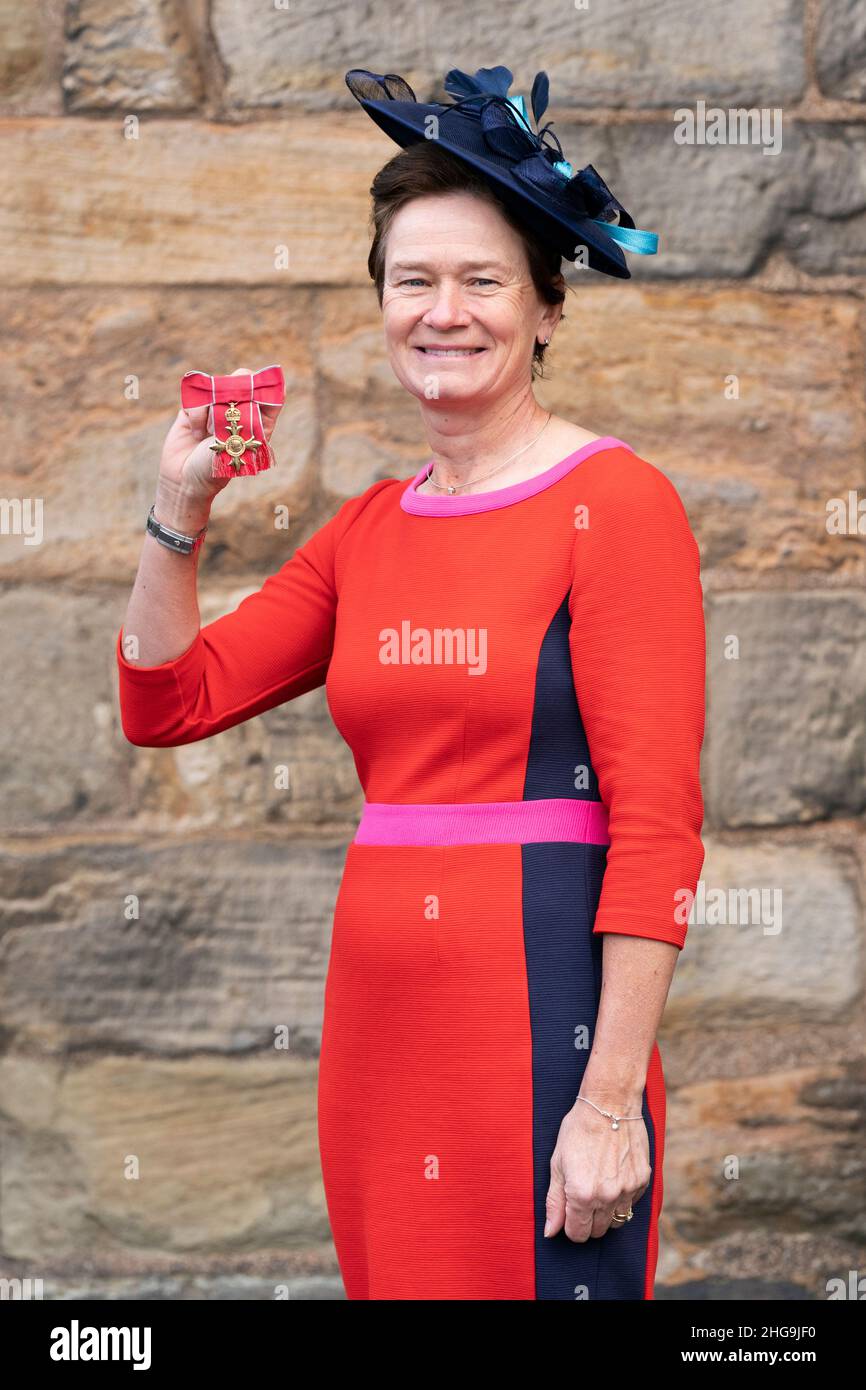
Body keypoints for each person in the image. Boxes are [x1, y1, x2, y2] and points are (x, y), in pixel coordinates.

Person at [115, 63, 705, 1301]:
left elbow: (654, 831)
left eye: (481, 281)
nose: (443, 312)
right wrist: (179, 509)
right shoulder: (368, 530)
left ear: (547, 308)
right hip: (380, 1040)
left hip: (540, 1026)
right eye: (412, 281)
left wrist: (605, 1106)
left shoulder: (615, 502)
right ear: (381, 303)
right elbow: (165, 702)